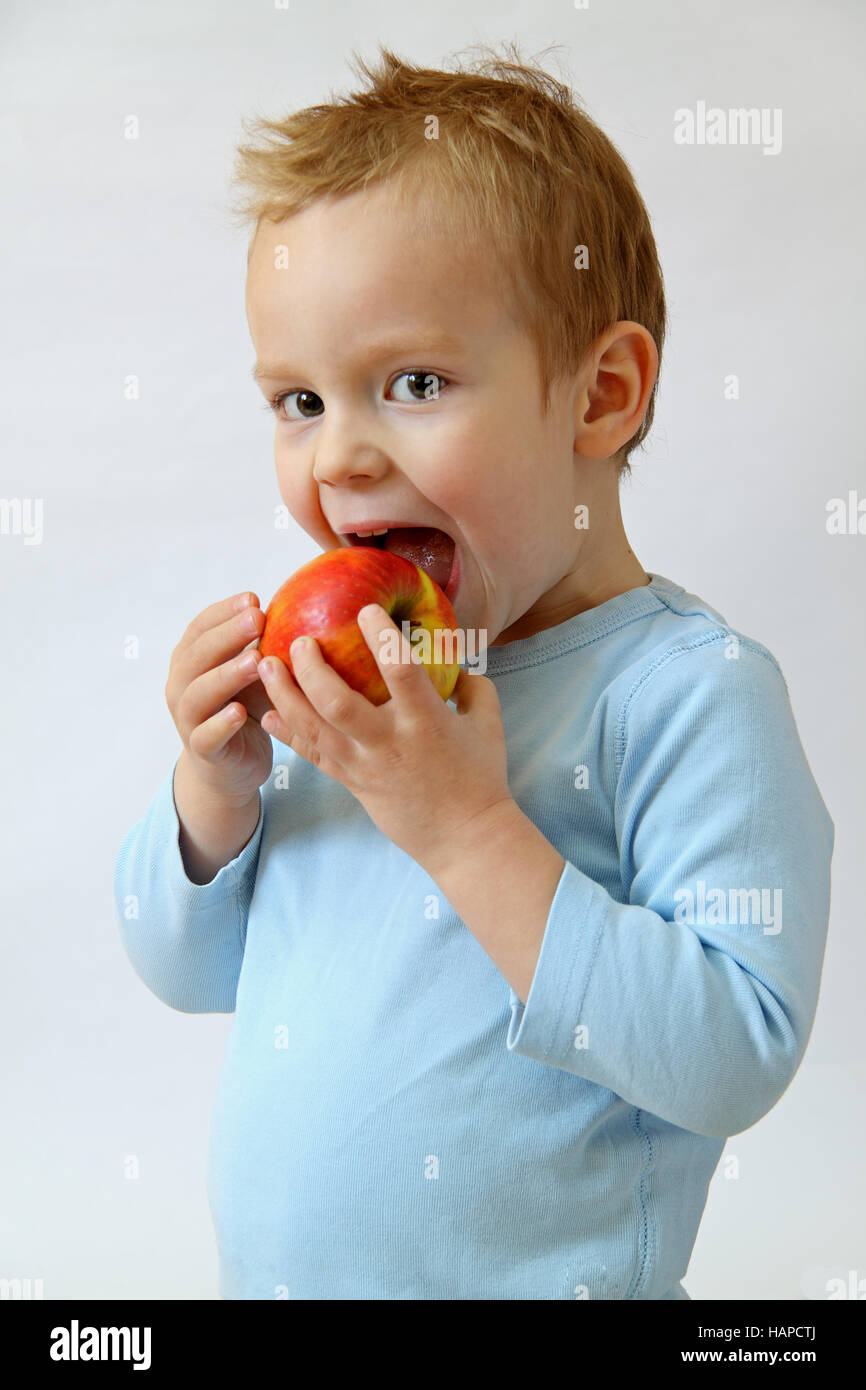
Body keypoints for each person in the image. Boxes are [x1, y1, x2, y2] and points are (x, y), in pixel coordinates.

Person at [114, 45, 834, 1300]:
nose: (337, 457)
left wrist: (465, 830)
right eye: (296, 400)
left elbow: (736, 1050)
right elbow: (188, 975)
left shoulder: (686, 691)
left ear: (599, 397)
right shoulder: (356, 690)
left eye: (413, 383)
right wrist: (213, 799)